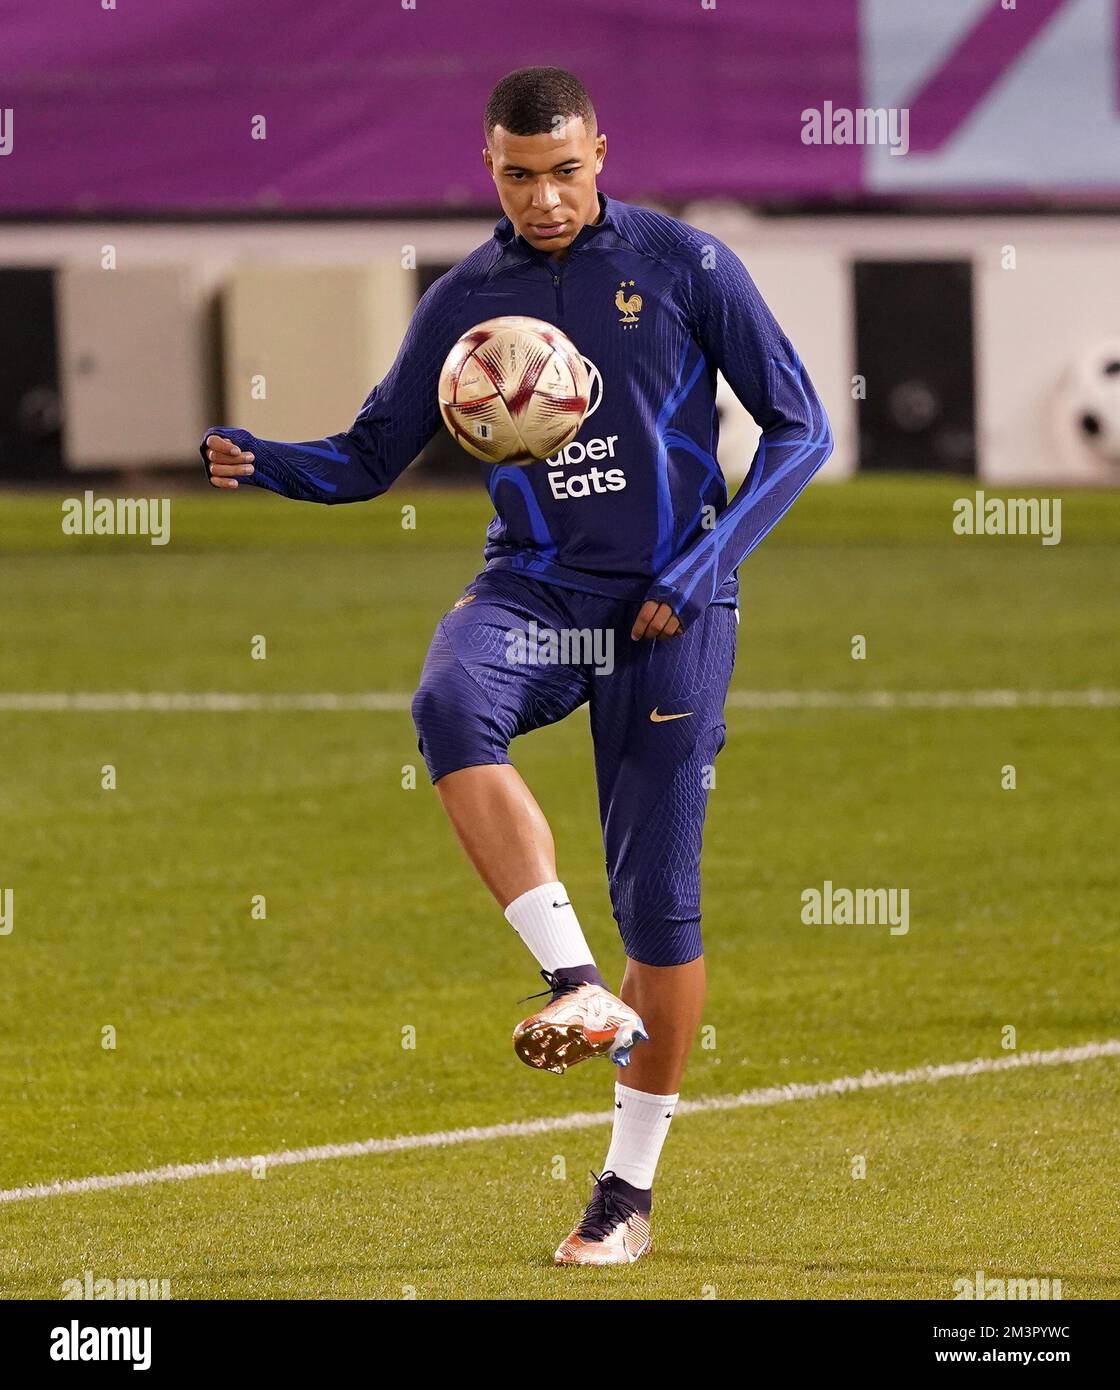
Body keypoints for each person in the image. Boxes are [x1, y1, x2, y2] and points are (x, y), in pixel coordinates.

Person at [201, 65, 833, 1266]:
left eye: (562, 171)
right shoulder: (468, 297)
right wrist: (264, 459)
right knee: (449, 699)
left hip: (670, 607)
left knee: (663, 905)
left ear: (603, 151)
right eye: (516, 175)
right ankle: (572, 981)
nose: (543, 198)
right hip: (535, 588)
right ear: (488, 167)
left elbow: (802, 426)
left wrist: (704, 568)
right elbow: (371, 454)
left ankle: (625, 1192)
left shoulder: (686, 266)